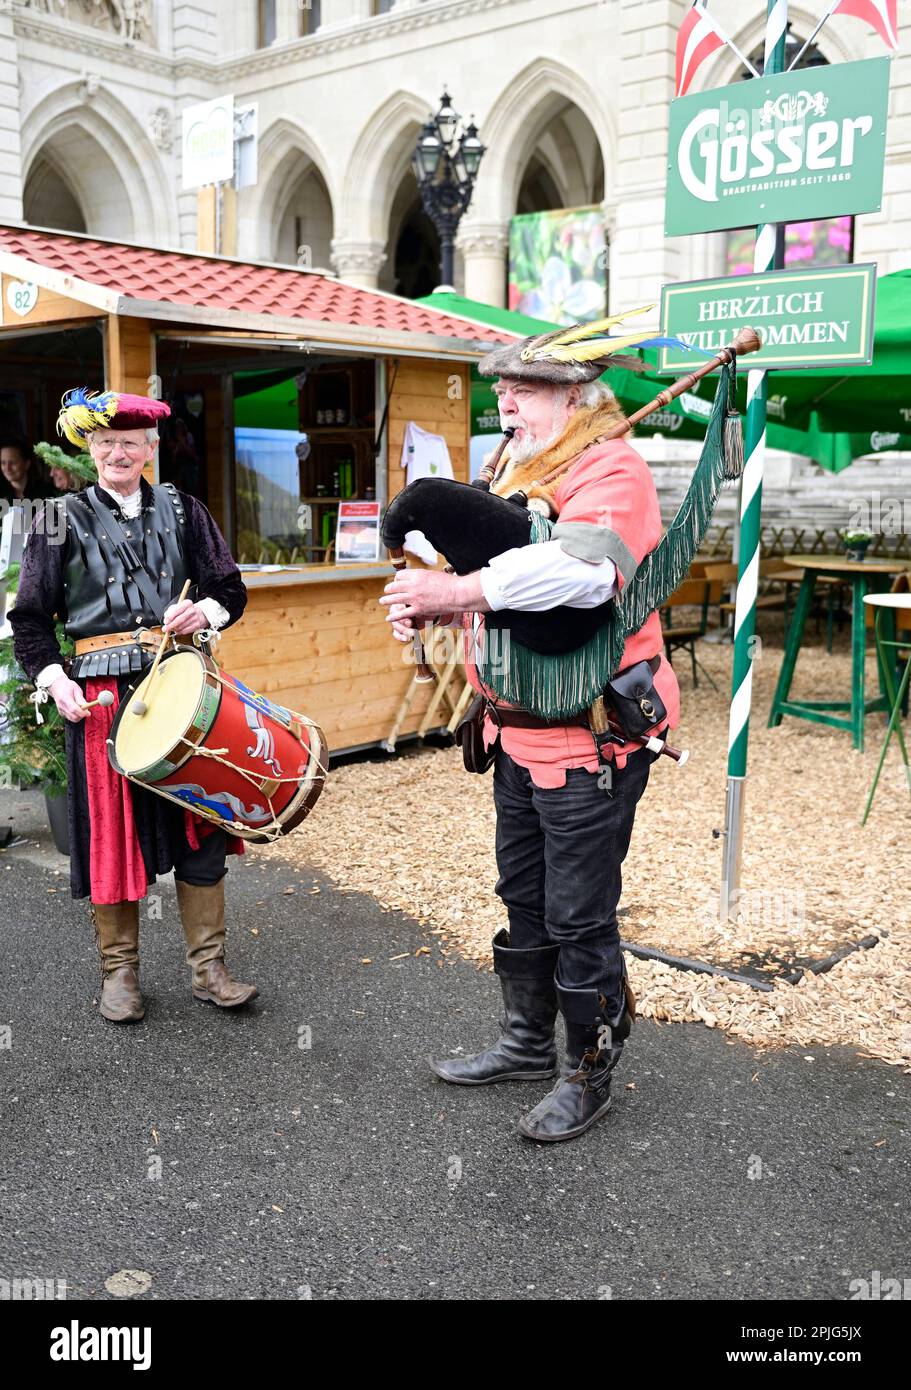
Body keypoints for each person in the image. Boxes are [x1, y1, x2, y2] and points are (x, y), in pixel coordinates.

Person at [380, 335, 680, 1144]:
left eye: (527, 390)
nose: (505, 404)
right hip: (512, 732)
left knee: (580, 912)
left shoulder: (610, 470)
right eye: (503, 390)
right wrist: (449, 605)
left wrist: (459, 586)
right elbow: (516, 595)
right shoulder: (518, 471)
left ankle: (588, 1070)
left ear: (577, 399)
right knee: (523, 895)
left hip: (590, 737)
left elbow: (584, 577)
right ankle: (522, 1044)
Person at [9, 389, 256, 1024]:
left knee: (201, 819)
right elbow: (30, 619)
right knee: (112, 836)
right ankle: (119, 975)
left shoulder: (184, 508)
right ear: (89, 450)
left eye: (131, 443)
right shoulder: (54, 519)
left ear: (150, 450)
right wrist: (54, 680)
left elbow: (229, 586)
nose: (118, 452)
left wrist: (205, 608)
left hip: (181, 682)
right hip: (100, 697)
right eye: (106, 442)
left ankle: (209, 967)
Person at [0, 436, 47, 503]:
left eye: (13, 462)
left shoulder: (46, 492)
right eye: (3, 463)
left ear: (26, 464)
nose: (7, 468)